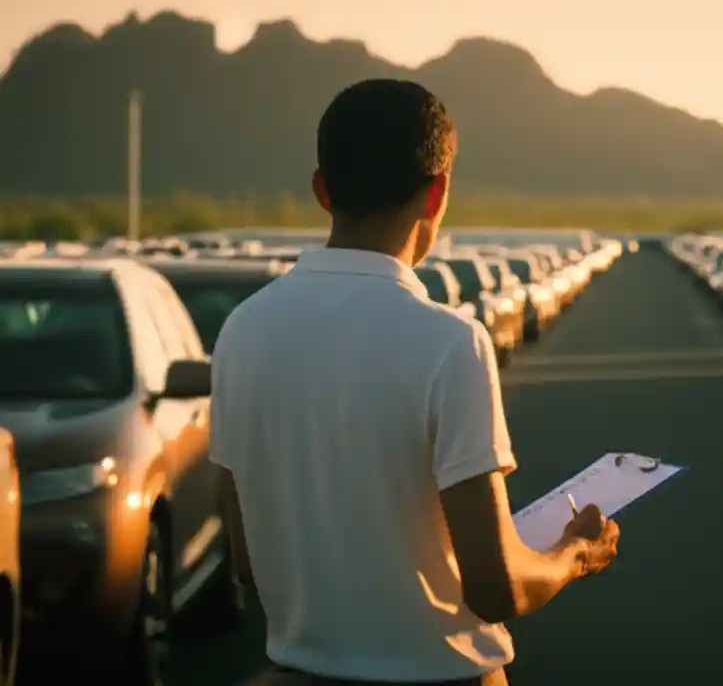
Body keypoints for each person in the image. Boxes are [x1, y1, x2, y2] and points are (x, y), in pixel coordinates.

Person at [211, 79, 620, 686]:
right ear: (437, 193)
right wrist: (575, 553)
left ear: (322, 191)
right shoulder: (451, 343)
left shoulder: (241, 332)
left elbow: (247, 561)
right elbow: (496, 589)